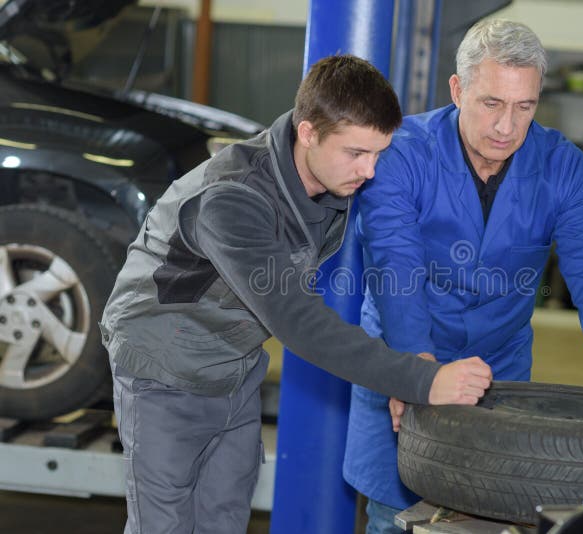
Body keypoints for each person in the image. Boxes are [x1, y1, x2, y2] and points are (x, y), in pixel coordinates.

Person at [99, 54, 493, 534]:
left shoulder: (328, 183)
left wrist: (414, 363)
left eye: (378, 154)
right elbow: (297, 320)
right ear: (308, 132)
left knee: (223, 520)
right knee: (164, 527)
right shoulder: (232, 199)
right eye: (355, 153)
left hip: (232, 365)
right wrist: (417, 380)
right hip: (162, 371)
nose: (369, 172)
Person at [342, 19, 583, 533]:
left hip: (498, 375)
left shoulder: (562, 168)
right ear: (458, 89)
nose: (508, 126)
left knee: (489, 517)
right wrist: (415, 373)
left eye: (524, 107)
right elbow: (395, 267)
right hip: (404, 352)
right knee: (395, 517)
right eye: (491, 104)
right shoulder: (401, 154)